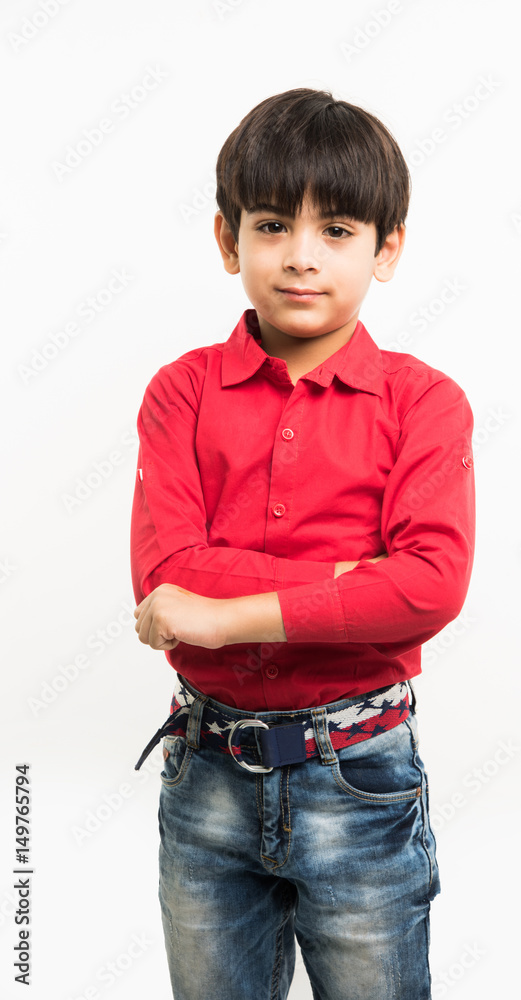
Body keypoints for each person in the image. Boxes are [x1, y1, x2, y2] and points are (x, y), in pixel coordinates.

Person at [130, 87, 475, 1000]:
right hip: (207, 774)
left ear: (386, 249)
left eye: (338, 230)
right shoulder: (181, 394)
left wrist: (223, 613)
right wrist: (350, 581)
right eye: (273, 224)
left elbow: (429, 588)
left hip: (358, 776)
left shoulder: (423, 403)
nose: (300, 257)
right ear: (227, 239)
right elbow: (167, 578)